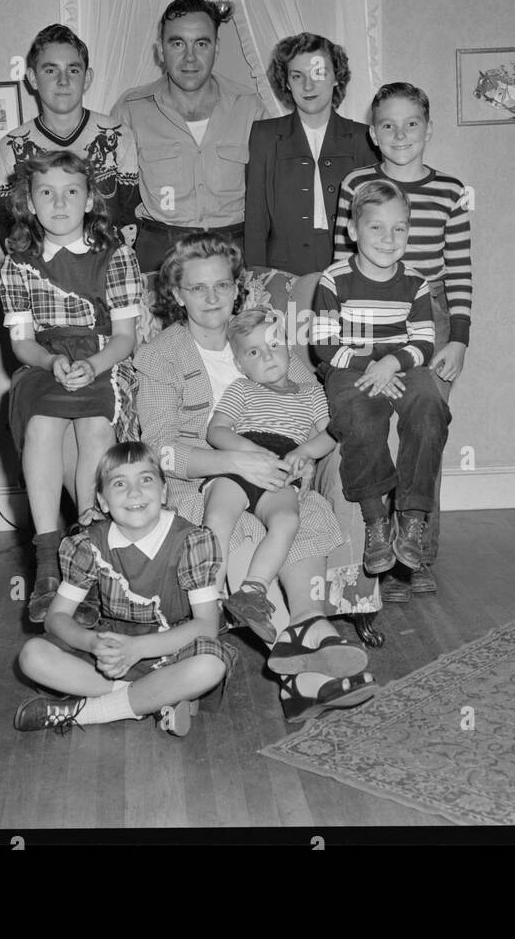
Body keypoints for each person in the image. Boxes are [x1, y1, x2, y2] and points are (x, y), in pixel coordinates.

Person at [134, 233, 377, 724]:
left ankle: (309, 633)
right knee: (240, 527)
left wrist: (307, 456)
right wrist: (234, 463)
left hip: (279, 476)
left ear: (236, 288)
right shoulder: (162, 355)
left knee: (304, 516)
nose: (211, 298)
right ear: (176, 293)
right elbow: (159, 449)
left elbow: (315, 410)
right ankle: (307, 677)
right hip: (204, 478)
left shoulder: (262, 335)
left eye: (222, 285)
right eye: (197, 288)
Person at [333, 81, 472, 600]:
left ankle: (415, 554)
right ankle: (378, 551)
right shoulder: (355, 185)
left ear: (428, 128)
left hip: (426, 312)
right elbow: (337, 261)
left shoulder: (450, 190)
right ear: (372, 133)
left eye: (411, 123)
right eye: (387, 125)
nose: (400, 134)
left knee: (424, 418)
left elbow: (458, 272)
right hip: (363, 308)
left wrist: (457, 337)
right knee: (364, 419)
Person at [0, 150, 143, 625]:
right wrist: (54, 360)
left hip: (103, 357)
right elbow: (22, 344)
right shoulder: (18, 263)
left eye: (71, 192)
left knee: (95, 432)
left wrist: (93, 365)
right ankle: (45, 558)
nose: (59, 204)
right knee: (40, 424)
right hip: (45, 360)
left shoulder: (116, 254)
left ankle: (88, 553)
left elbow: (125, 337)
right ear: (29, 203)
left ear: (88, 199)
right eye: (46, 193)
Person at [13, 442, 233, 738]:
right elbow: (56, 618)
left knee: (209, 665)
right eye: (119, 483)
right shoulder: (88, 545)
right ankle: (152, 700)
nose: (134, 492)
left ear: (164, 492)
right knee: (32, 655)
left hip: (172, 647)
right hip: (111, 648)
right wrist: (93, 643)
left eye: (146, 479)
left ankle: (88, 712)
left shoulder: (192, 541)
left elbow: (206, 625)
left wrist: (138, 649)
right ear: (102, 502)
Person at [313, 179, 452, 582]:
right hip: (348, 364)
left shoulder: (416, 283)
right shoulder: (334, 279)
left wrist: (391, 363)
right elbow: (323, 344)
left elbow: (424, 340)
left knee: (431, 406)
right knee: (357, 417)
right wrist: (367, 367)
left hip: (403, 362)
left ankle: (411, 517)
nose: (389, 239)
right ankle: (376, 521)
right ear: (354, 231)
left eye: (400, 228)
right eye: (376, 227)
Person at [203, 307, 338, 644]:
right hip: (238, 463)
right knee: (218, 515)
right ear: (239, 364)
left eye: (274, 345)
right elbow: (217, 431)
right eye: (253, 352)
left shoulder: (311, 394)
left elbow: (331, 433)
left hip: (282, 467)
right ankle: (210, 599)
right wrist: (247, 454)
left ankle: (252, 592)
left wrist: (304, 452)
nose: (267, 356)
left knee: (287, 521)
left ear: (289, 349)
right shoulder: (241, 389)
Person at [110, 0, 265, 272]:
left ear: (216, 48)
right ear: (160, 50)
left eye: (201, 43)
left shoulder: (249, 107)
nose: (190, 57)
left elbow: (267, 197)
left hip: (233, 251)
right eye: (177, 43)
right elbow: (114, 197)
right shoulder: (130, 109)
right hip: (160, 252)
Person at [0, 23, 140, 250]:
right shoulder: (11, 145)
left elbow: (130, 219)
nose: (63, 81)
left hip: (106, 268)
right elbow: (10, 228)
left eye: (73, 70)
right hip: (40, 273)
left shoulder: (119, 136)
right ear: (32, 78)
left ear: (87, 78)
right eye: (51, 70)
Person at [244, 32, 378, 278]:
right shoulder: (264, 136)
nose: (308, 86)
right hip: (281, 273)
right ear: (286, 82)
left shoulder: (364, 139)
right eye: (297, 76)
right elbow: (256, 223)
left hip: (350, 271)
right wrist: (256, 283)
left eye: (318, 73)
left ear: (336, 77)